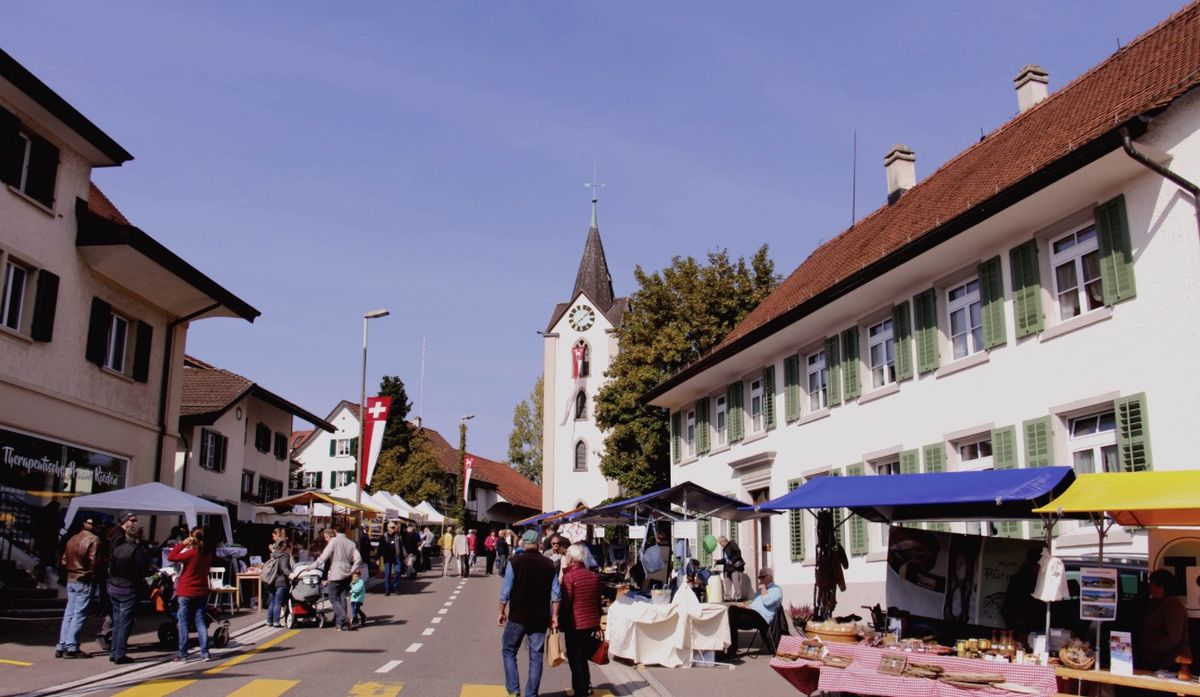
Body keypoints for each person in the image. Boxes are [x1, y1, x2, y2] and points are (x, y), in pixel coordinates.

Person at [498, 530, 561, 697]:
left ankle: (513, 690)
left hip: (518, 615)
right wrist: (554, 616)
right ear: (538, 543)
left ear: (523, 543)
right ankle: (531, 694)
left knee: (509, 650)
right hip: (540, 618)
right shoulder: (549, 564)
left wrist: (501, 611)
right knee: (536, 656)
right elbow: (556, 594)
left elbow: (506, 591)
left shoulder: (515, 561)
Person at [167, 527, 214, 661]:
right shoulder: (208, 554)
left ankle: (183, 653)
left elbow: (171, 557)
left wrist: (182, 544)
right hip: (201, 590)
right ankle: (205, 652)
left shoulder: (191, 554)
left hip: (186, 590)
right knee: (200, 621)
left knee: (183, 622)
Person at [56, 518, 100, 659]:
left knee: (70, 613)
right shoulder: (94, 540)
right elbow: (94, 562)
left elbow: (63, 560)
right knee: (79, 614)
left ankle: (62, 645)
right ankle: (72, 646)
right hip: (83, 579)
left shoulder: (73, 538)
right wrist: (91, 574)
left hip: (72, 577)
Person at [561, 543, 601, 697]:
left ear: (570, 558)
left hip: (575, 622)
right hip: (590, 621)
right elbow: (597, 601)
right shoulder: (593, 576)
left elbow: (567, 601)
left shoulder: (569, 576)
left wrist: (560, 620)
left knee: (575, 656)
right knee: (582, 656)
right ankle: (584, 686)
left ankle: (581, 689)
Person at [307, 526, 362, 631]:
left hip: (336, 573)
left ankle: (345, 619)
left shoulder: (333, 541)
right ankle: (340, 625)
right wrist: (352, 569)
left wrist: (311, 567)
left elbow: (323, 557)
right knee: (342, 597)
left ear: (335, 531)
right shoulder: (351, 543)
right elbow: (358, 558)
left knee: (333, 598)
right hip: (347, 573)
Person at [107, 523, 148, 664]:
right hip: (128, 587)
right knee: (124, 622)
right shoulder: (137, 551)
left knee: (117, 621)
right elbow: (142, 570)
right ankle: (119, 653)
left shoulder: (118, 548)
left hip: (114, 585)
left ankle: (114, 651)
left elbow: (111, 566)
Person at [724, 567, 783, 656]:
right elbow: (753, 602)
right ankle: (730, 649)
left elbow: (767, 602)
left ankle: (732, 650)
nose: (760, 579)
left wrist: (763, 589)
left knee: (733, 614)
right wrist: (745, 605)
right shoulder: (760, 591)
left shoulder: (776, 590)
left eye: (763, 577)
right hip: (753, 614)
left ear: (770, 577)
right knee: (731, 612)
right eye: (759, 577)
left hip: (763, 618)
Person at [1142, 569, 1190, 670]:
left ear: (1160, 586)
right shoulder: (1156, 603)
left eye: (1152, 583)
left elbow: (1174, 637)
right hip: (1158, 660)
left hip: (1170, 663)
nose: (1149, 586)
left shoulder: (1172, 605)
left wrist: (1154, 649)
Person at [266, 529, 294, 628]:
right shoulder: (285, 555)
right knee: (278, 602)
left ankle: (269, 621)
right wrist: (291, 574)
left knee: (272, 602)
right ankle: (276, 622)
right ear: (286, 548)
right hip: (281, 581)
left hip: (271, 581)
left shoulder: (273, 554)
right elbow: (284, 568)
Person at [717, 535, 746, 601]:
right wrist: (717, 561)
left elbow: (738, 553)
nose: (720, 545)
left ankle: (739, 597)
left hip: (735, 567)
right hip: (728, 568)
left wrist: (732, 561)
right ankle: (728, 597)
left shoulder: (732, 544)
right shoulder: (724, 549)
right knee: (727, 581)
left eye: (720, 543)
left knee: (736, 581)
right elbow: (725, 560)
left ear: (723, 541)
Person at [380, 522, 404, 595]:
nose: (394, 528)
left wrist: (405, 556)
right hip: (387, 557)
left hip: (396, 556)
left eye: (394, 527)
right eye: (392, 527)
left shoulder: (398, 536)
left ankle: (395, 586)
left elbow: (402, 547)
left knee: (398, 571)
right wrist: (377, 557)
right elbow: (380, 548)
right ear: (388, 528)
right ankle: (387, 590)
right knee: (387, 574)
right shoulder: (383, 536)